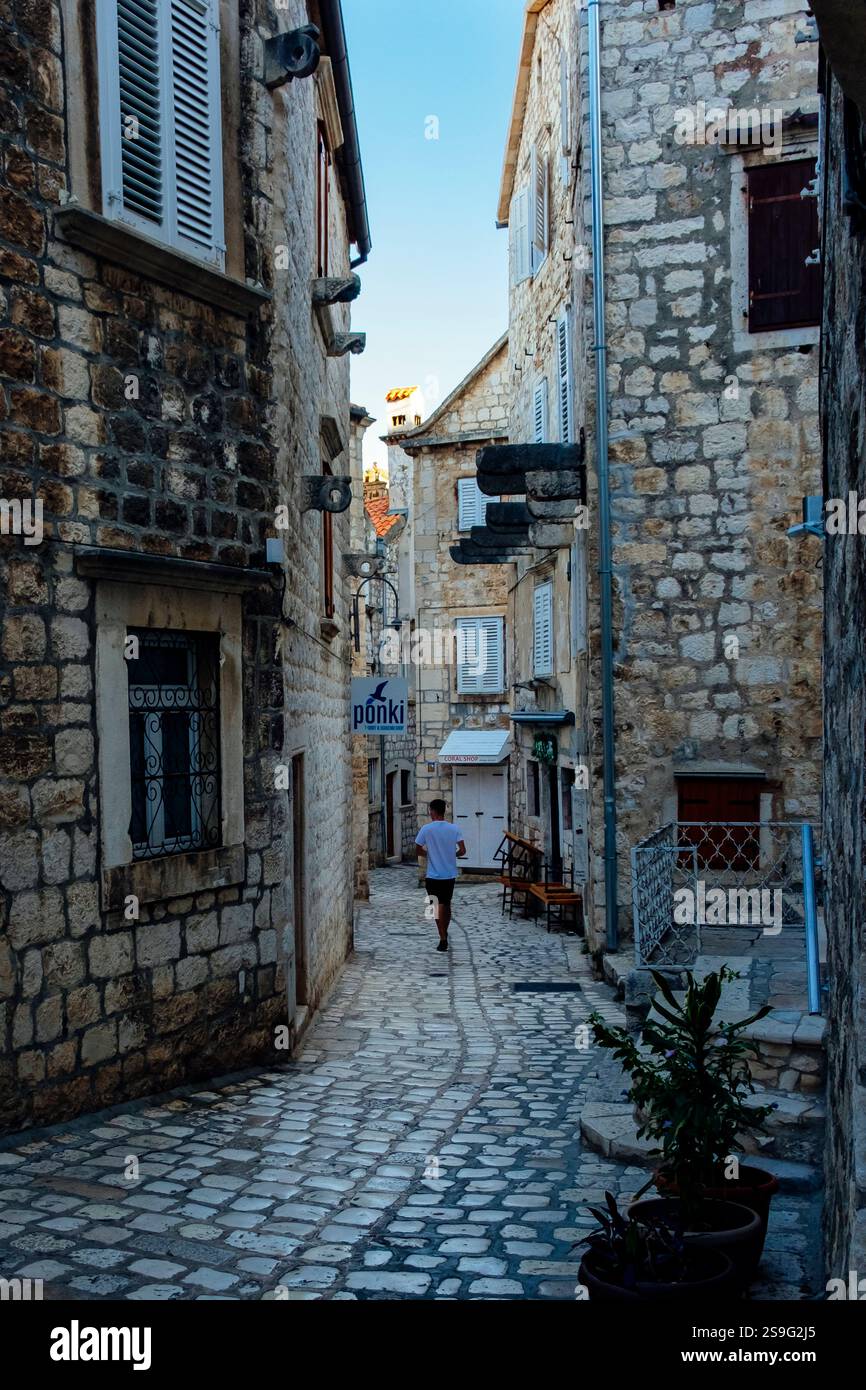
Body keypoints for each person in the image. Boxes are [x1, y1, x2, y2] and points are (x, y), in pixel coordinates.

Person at [415, 799, 466, 951]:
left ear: (433, 811)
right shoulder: (454, 829)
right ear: (444, 811)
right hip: (449, 874)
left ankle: (442, 937)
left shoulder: (426, 829)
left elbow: (418, 849)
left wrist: (429, 854)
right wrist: (451, 855)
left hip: (433, 875)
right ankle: (444, 931)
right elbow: (463, 850)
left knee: (436, 906)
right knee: (447, 904)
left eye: (430, 810)